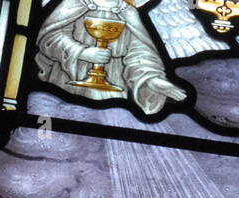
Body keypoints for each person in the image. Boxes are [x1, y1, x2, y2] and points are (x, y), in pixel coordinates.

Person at [36, 0, 187, 114]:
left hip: (114, 87)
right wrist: (81, 52)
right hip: (67, 80)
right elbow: (50, 36)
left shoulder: (128, 12)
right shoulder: (74, 3)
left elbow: (140, 53)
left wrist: (151, 79)